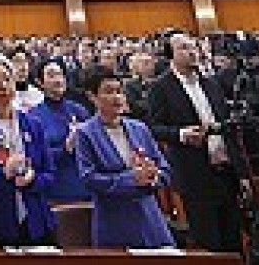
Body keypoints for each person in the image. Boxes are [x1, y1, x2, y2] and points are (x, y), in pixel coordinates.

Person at [148, 31, 243, 252]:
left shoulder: (211, 84)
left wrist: (241, 171)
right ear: (171, 55)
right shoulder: (161, 87)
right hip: (194, 172)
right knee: (208, 240)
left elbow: (226, 124)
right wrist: (181, 134)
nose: (192, 52)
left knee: (233, 238)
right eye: (184, 48)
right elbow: (154, 127)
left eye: (194, 46)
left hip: (225, 170)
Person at [75, 67, 175, 249]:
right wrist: (131, 179)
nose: (117, 97)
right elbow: (88, 178)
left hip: (150, 219)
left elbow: (165, 170)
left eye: (119, 91)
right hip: (114, 221)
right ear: (93, 97)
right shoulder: (85, 133)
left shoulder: (139, 128)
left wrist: (153, 176)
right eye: (108, 91)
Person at [0, 53, 56, 246]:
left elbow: (49, 173)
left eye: (7, 79)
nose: (3, 86)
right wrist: (2, 174)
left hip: (34, 218)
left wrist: (32, 179)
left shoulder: (33, 124)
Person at [28, 59, 91, 202]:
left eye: (60, 75)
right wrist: (65, 148)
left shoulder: (79, 110)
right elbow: (34, 158)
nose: (58, 80)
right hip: (54, 190)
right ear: (40, 82)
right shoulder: (33, 117)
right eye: (51, 75)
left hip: (85, 186)